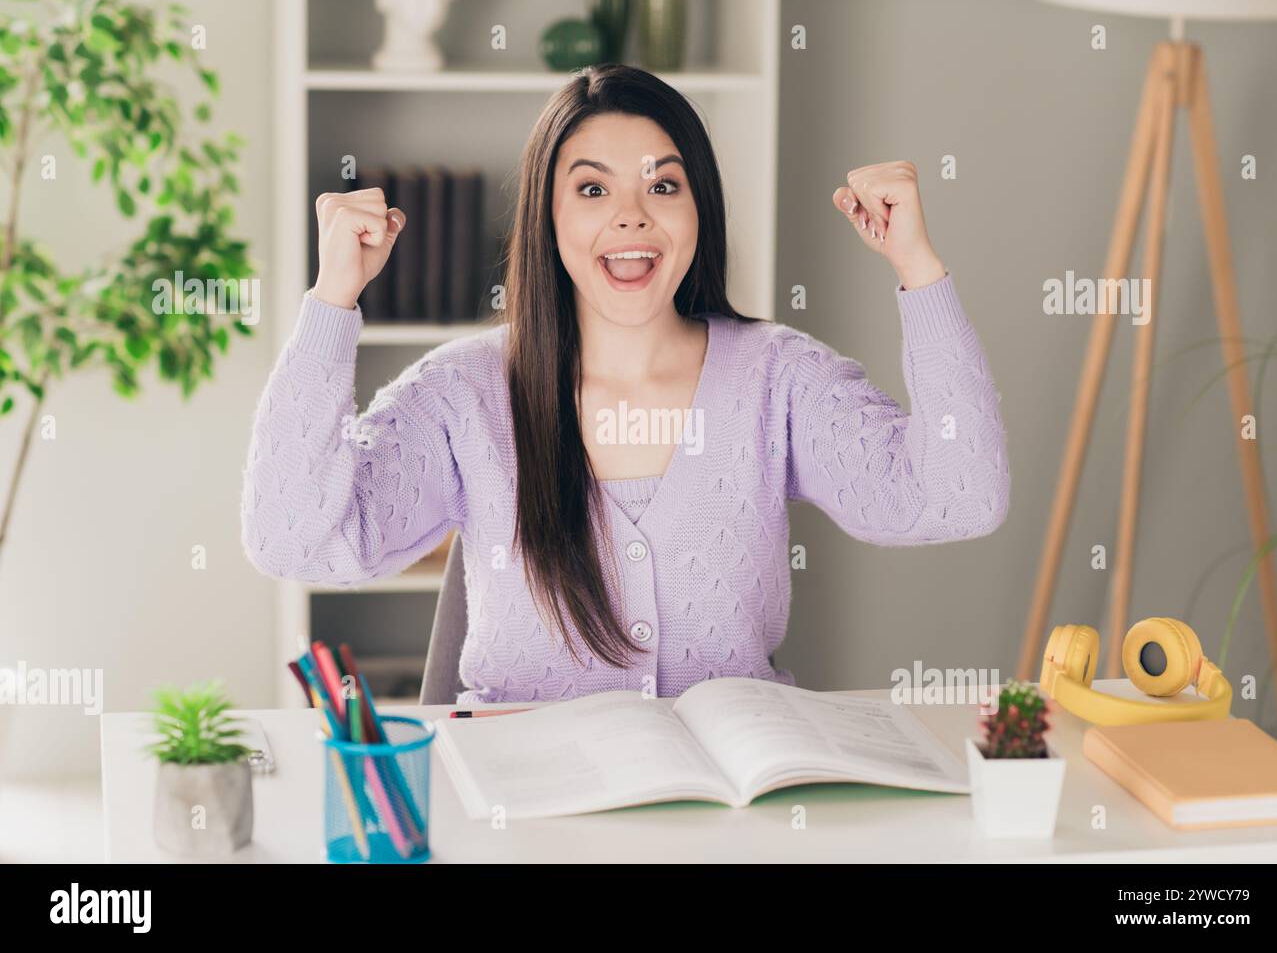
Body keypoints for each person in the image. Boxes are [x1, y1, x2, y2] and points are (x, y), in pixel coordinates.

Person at [240, 63, 1010, 706]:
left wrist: (919, 269)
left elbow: (960, 496)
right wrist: (332, 302)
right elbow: (293, 539)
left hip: (725, 821)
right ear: (548, 216)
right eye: (594, 190)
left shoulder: (781, 379)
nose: (633, 218)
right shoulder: (460, 393)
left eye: (664, 188)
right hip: (526, 820)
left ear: (699, 207)